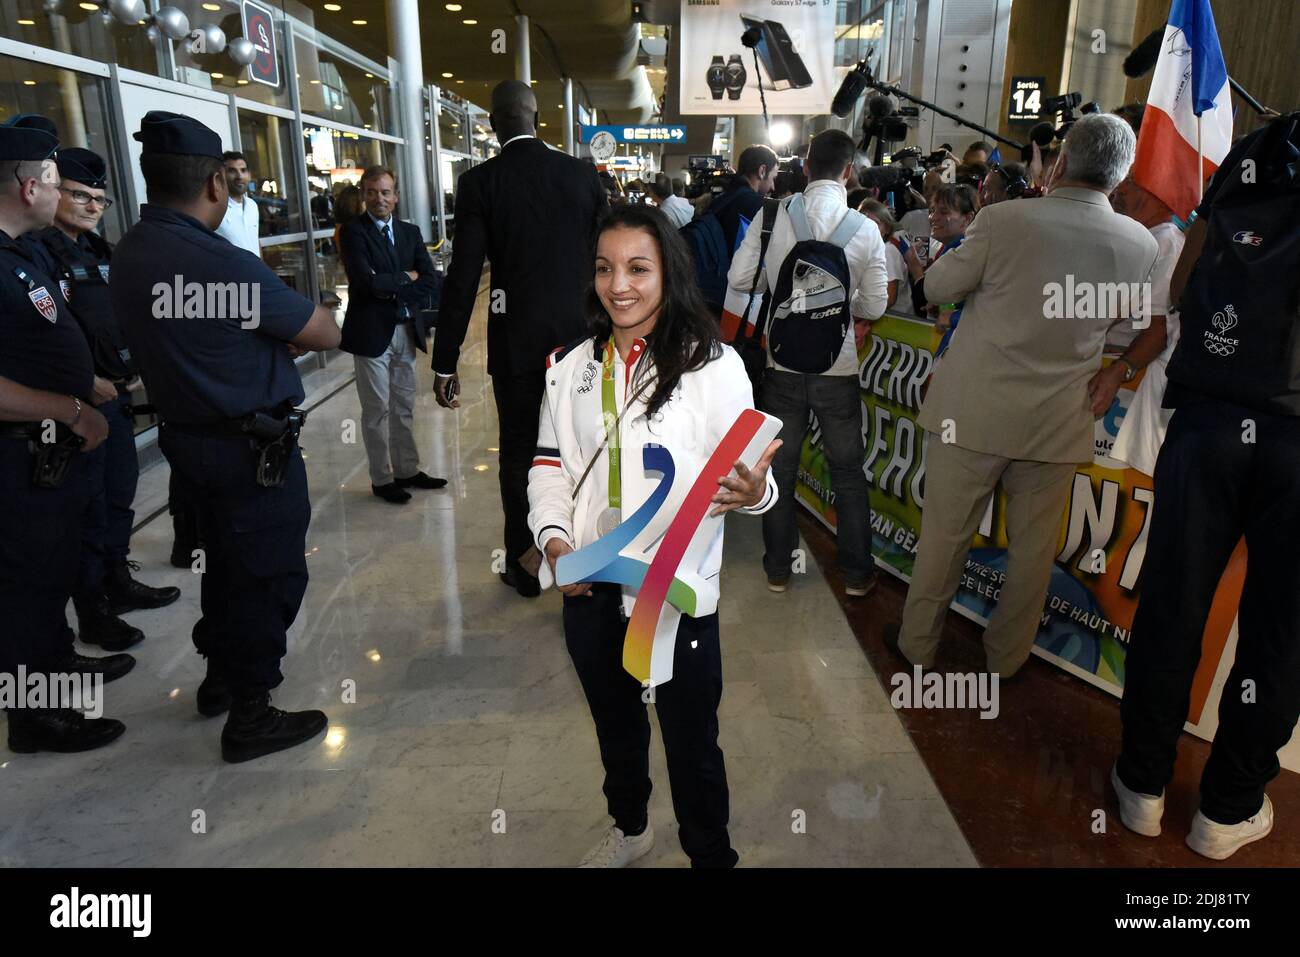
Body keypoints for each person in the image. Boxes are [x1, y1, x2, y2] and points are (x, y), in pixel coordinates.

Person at [528, 203, 780, 867]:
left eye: (638, 267)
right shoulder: (569, 366)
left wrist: (759, 491)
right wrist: (556, 543)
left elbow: (748, 467)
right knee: (616, 726)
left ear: (667, 272)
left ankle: (710, 852)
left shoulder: (711, 366)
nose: (620, 284)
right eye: (606, 268)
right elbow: (549, 467)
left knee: (692, 738)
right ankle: (632, 825)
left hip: (675, 594)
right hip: (589, 587)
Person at [882, 113, 1158, 679]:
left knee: (945, 538)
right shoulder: (1139, 244)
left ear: (1060, 162)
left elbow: (936, 288)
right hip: (1060, 417)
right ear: (1122, 174)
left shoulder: (1005, 220)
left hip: (974, 413)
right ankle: (1006, 661)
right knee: (1033, 553)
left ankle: (917, 646)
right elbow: (1126, 322)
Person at [112, 111, 341, 762]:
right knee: (268, 577)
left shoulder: (131, 252)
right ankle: (252, 709)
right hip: (250, 452)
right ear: (216, 183)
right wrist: (283, 321)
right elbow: (321, 330)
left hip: (189, 443)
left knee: (224, 570)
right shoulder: (218, 263)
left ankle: (219, 675)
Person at [1113, 113, 1300, 860]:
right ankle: (1225, 808)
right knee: (1281, 634)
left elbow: (1187, 279)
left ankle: (1142, 783)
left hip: (1210, 414)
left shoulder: (1258, 150)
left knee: (1173, 603)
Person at [433, 80, 607, 598]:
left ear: (492, 123)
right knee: (581, 444)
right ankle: (584, 554)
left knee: (518, 455)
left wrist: (446, 361)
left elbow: (463, 276)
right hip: (581, 342)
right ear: (536, 118)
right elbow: (604, 257)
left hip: (516, 348)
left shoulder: (480, 182)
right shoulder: (581, 174)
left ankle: (526, 564)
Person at [0, 114, 127, 753]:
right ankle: (34, 719)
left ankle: (58, 672)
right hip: (19, 460)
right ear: (29, 187)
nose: (61, 195)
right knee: (23, 592)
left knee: (49, 580)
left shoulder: (26, 251)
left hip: (50, 458)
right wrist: (71, 411)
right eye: (55, 182)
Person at [29, 146, 180, 658]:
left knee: (118, 495)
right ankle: (92, 609)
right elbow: (47, 335)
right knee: (87, 510)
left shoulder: (100, 250)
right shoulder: (37, 253)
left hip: (117, 395)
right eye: (80, 195)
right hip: (75, 403)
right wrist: (87, 380)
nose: (93, 206)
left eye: (100, 198)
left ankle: (117, 580)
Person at [725, 128, 889, 598]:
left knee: (779, 470)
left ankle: (778, 569)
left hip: (782, 367)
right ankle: (856, 576)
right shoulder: (865, 230)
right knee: (848, 474)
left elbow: (740, 279)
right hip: (837, 370)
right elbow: (875, 306)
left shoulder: (772, 214)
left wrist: (785, 287)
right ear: (849, 171)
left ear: (805, 165)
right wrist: (838, 297)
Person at [339, 165, 445, 504]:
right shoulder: (354, 233)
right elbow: (363, 282)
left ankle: (407, 470)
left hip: (405, 330)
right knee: (376, 410)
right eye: (371, 192)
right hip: (371, 334)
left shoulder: (410, 232)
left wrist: (395, 283)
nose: (379, 198)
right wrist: (405, 277)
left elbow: (429, 279)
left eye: (385, 192)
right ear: (363, 196)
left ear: (395, 197)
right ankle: (382, 478)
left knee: (403, 406)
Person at [1094, 175, 1186, 465]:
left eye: (1133, 182)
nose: (1119, 189)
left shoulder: (1166, 242)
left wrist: (1118, 371)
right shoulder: (1134, 235)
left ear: (1161, 193)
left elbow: (1157, 331)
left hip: (1128, 386)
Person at [903, 183, 977, 352]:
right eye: (932, 210)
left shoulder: (968, 254)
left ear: (968, 218)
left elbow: (986, 307)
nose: (933, 217)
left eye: (944, 212)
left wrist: (916, 270)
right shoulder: (948, 249)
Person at [859, 198, 907, 309]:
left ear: (887, 229)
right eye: (863, 221)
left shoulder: (888, 251)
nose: (868, 228)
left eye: (875, 224)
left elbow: (889, 299)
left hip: (896, 320)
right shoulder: (864, 249)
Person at [214, 150, 260, 257]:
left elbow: (254, 241)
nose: (239, 176)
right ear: (221, 175)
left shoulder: (252, 206)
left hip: (255, 272)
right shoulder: (215, 208)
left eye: (243, 170)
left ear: (249, 175)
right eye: (232, 171)